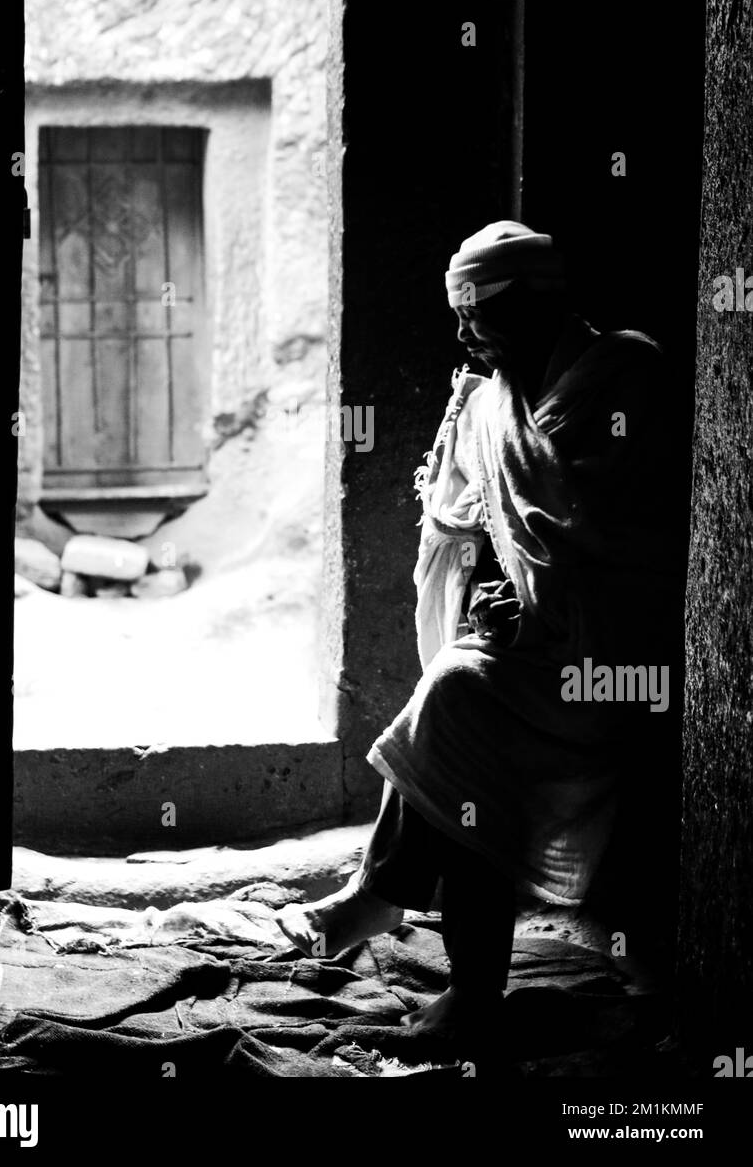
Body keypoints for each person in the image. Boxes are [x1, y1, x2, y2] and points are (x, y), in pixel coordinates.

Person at [276, 220, 677, 1040]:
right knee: (456, 687)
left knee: (456, 696)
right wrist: (504, 592)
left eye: (479, 314)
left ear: (539, 303)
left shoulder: (627, 375)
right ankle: (418, 933)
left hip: (622, 658)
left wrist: (543, 596)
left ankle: (427, 945)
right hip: (541, 645)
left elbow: (624, 539)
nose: (463, 334)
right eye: (457, 315)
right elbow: (506, 539)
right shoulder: (496, 401)